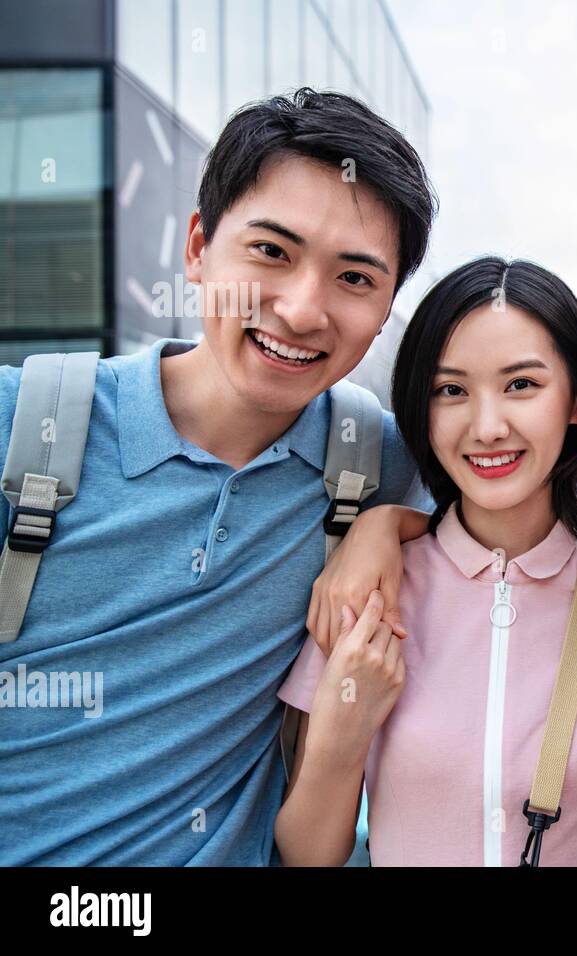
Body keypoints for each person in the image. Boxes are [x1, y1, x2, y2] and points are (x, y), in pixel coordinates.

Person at [0, 89, 435, 865]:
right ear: (198, 248)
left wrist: (384, 522)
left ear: (387, 308)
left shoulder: (379, 463)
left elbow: (527, 525)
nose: (302, 311)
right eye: (271, 252)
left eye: (355, 279)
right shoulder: (24, 424)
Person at [274, 258, 577, 866]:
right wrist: (344, 732)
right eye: (451, 390)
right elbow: (309, 854)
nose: (487, 426)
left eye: (521, 385)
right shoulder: (370, 590)